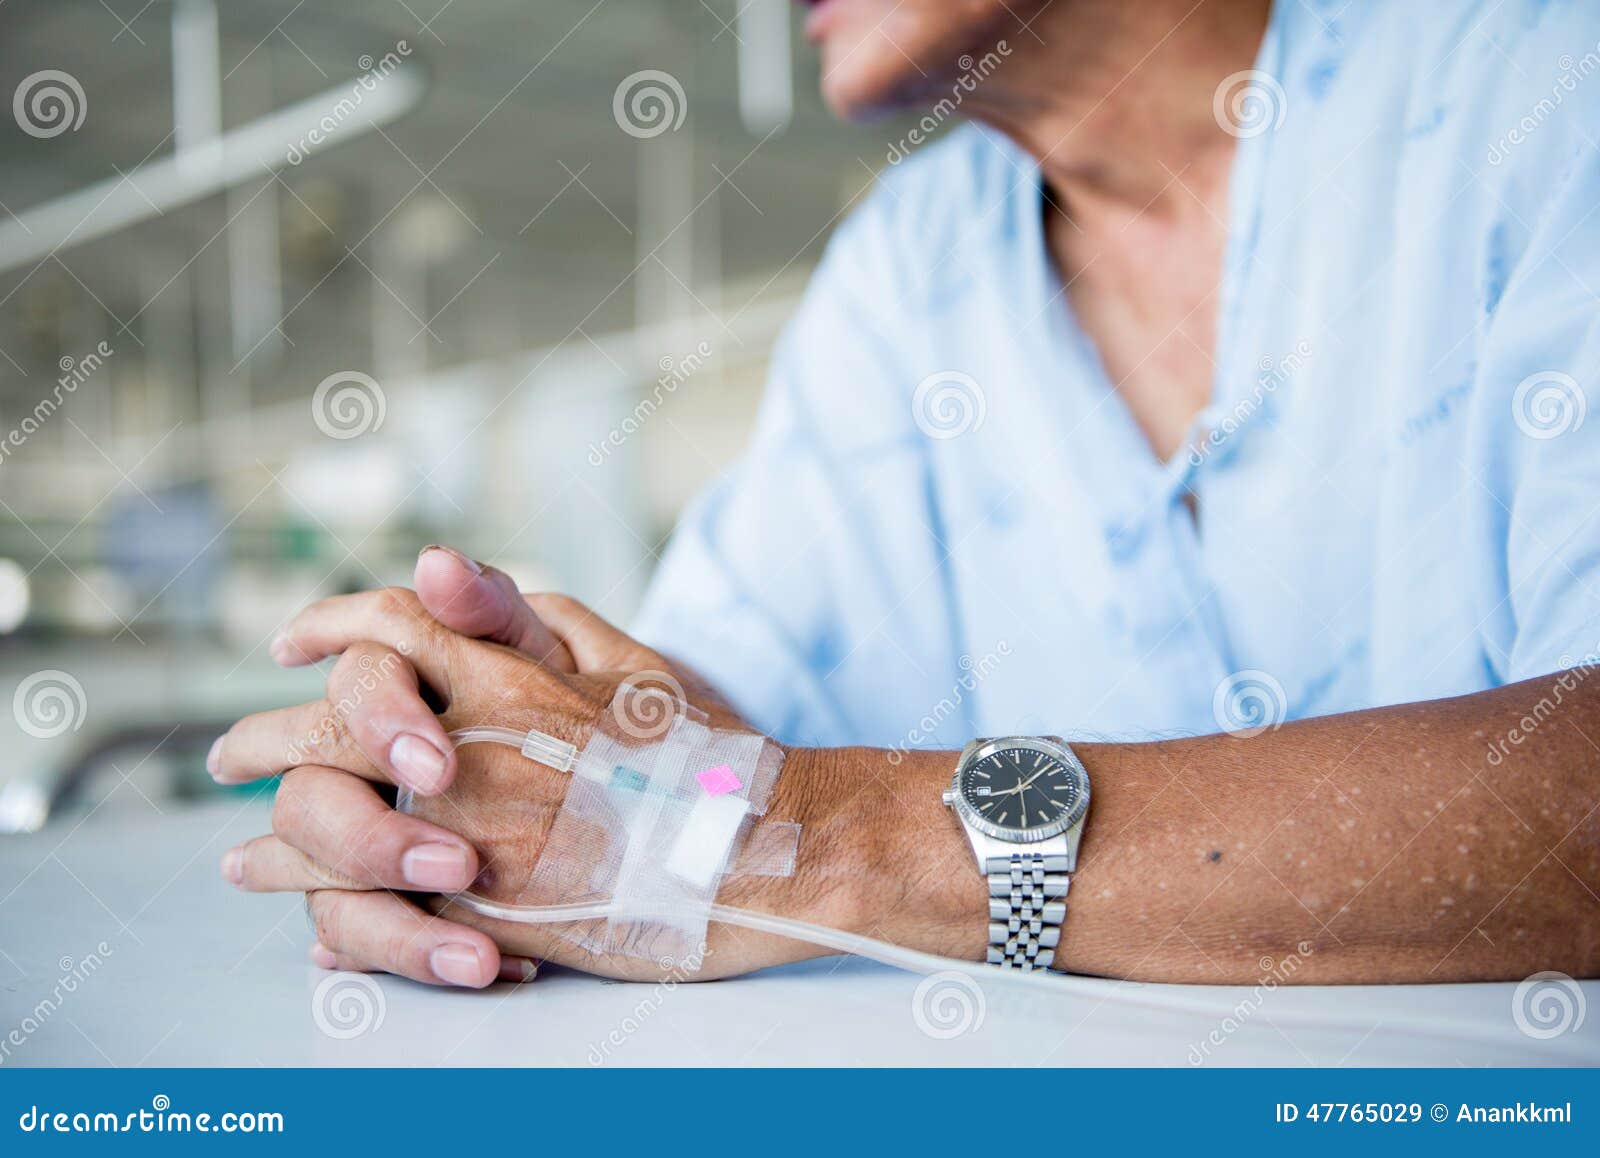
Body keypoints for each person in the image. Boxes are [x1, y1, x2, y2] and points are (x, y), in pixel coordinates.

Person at [213, 0, 1600, 988]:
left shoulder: (1549, 88)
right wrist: (496, 766)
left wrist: (834, 841)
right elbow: (708, 752)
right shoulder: (911, 268)